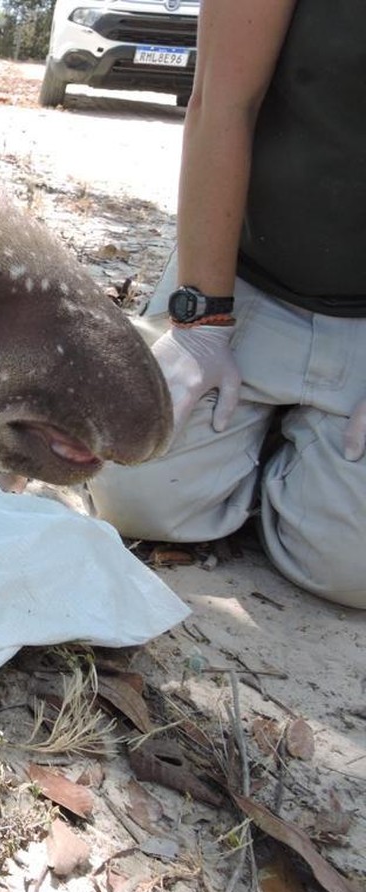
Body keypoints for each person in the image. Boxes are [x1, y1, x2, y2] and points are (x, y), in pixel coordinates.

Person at [88, 0, 366, 609]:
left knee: (352, 572)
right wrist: (202, 324)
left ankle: (290, 447)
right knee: (135, 496)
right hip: (244, 282)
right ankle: (252, 424)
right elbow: (221, 102)